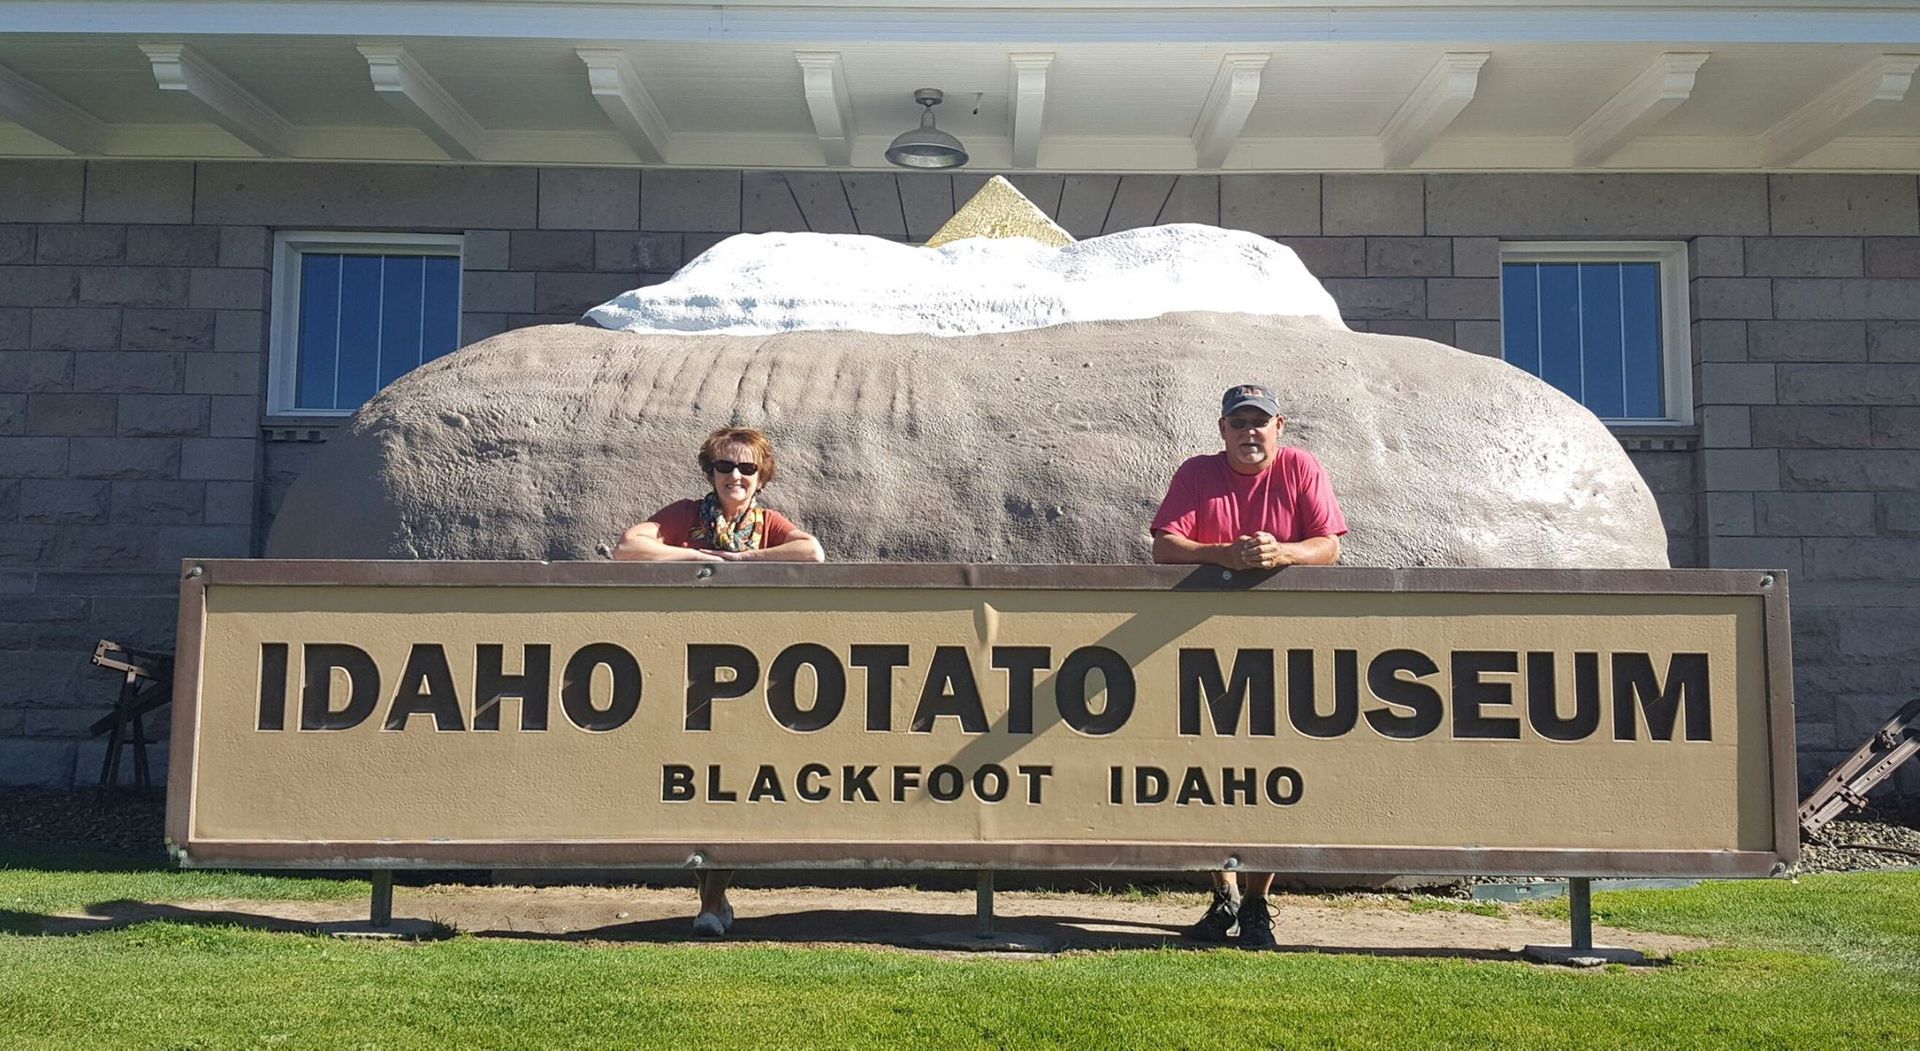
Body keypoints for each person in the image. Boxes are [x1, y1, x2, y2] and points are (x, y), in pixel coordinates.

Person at [1149, 383, 1348, 949]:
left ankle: (1257, 903)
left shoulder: (1301, 468)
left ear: (1278, 427)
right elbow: (1165, 546)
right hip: (1202, 646)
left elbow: (1329, 546)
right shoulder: (1197, 473)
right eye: (1238, 422)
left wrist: (1281, 552)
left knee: (1272, 774)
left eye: (1259, 421)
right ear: (1223, 430)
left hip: (1278, 648)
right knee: (1205, 773)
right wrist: (1225, 554)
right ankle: (1224, 896)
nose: (1249, 432)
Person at [612, 426, 825, 936]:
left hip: (746, 670)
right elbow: (629, 547)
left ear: (761, 478)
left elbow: (810, 552)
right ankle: (712, 899)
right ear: (710, 472)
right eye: (725, 466)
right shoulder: (687, 515)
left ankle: (712, 901)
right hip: (685, 667)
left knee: (728, 784)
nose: (735, 476)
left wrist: (744, 560)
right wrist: (699, 557)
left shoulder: (768, 524)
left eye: (747, 468)